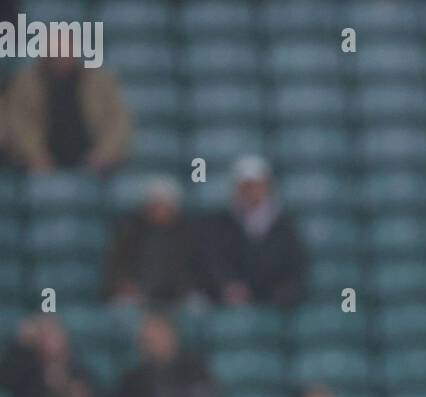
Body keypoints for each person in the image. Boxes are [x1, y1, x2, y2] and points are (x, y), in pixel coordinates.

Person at [198, 155, 307, 306]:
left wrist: (281, 293)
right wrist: (228, 285)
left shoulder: (284, 225)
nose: (252, 191)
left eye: (257, 185)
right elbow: (213, 260)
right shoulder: (220, 223)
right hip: (230, 301)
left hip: (276, 303)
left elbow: (295, 266)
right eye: (246, 186)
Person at [5, 49, 131, 173]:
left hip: (94, 161)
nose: (61, 57)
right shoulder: (26, 83)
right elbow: (17, 122)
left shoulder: (101, 81)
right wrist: (34, 155)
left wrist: (104, 154)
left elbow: (118, 121)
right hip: (38, 162)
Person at [103, 177, 199, 306]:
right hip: (137, 295)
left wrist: (184, 290)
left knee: (196, 306)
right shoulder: (129, 232)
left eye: (164, 205)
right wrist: (125, 285)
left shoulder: (188, 234)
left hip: (177, 296)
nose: (159, 210)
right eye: (155, 205)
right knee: (122, 307)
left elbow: (195, 271)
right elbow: (116, 266)